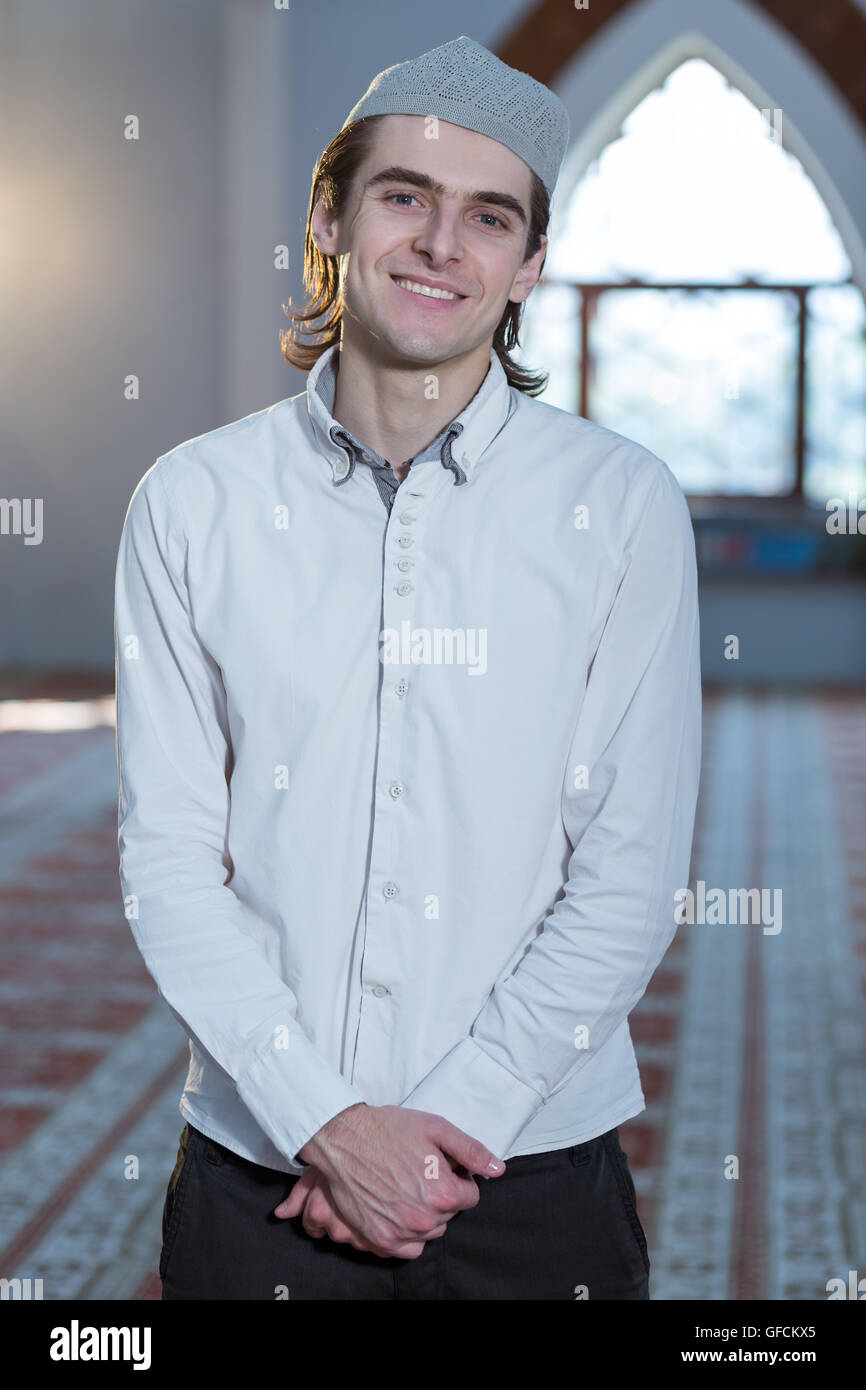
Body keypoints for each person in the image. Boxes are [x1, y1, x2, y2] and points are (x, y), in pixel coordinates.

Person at [114, 34, 701, 1301]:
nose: (443, 244)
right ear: (329, 218)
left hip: (525, 1169)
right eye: (405, 198)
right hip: (262, 1165)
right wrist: (325, 1123)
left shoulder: (622, 508)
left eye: (488, 217)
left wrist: (429, 1140)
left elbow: (628, 873)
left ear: (529, 264)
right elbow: (167, 862)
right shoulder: (189, 504)